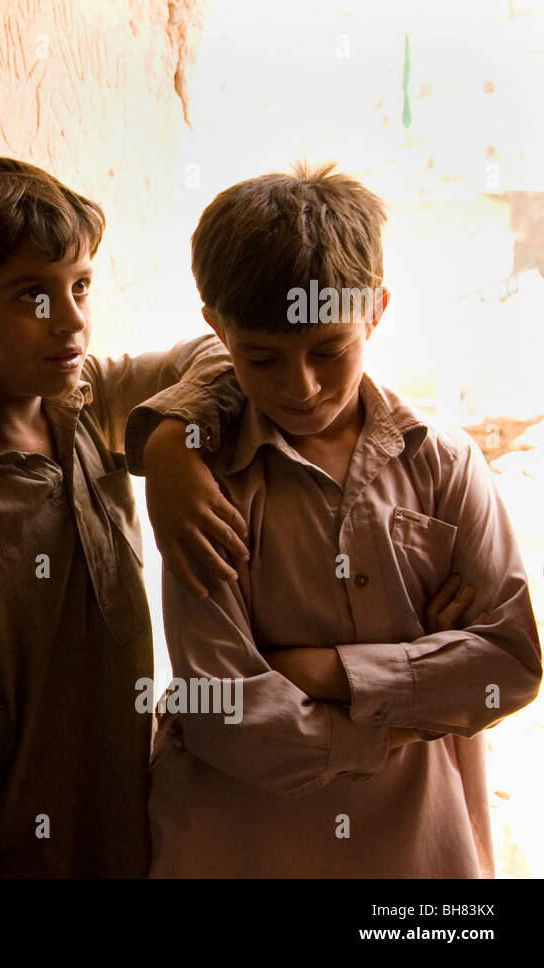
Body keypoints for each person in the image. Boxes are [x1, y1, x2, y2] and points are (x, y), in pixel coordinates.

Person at [148, 161, 542, 876]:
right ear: (216, 329)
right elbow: (226, 716)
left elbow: (510, 667)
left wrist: (330, 673)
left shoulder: (443, 466)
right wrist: (417, 690)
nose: (301, 386)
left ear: (377, 310)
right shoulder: (207, 486)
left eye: (329, 351)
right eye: (262, 358)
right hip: (241, 846)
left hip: (416, 852)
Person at [0, 156, 249, 877]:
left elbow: (220, 353)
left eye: (79, 286)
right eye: (31, 297)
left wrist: (167, 445)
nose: (72, 319)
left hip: (147, 837)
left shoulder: (88, 408)